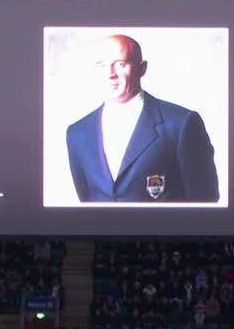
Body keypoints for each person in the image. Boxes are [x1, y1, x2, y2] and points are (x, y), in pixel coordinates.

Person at [65, 34, 219, 203]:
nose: (110, 74)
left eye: (120, 64)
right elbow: (86, 202)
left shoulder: (182, 124)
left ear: (142, 68)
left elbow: (205, 203)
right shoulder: (78, 133)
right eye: (102, 65)